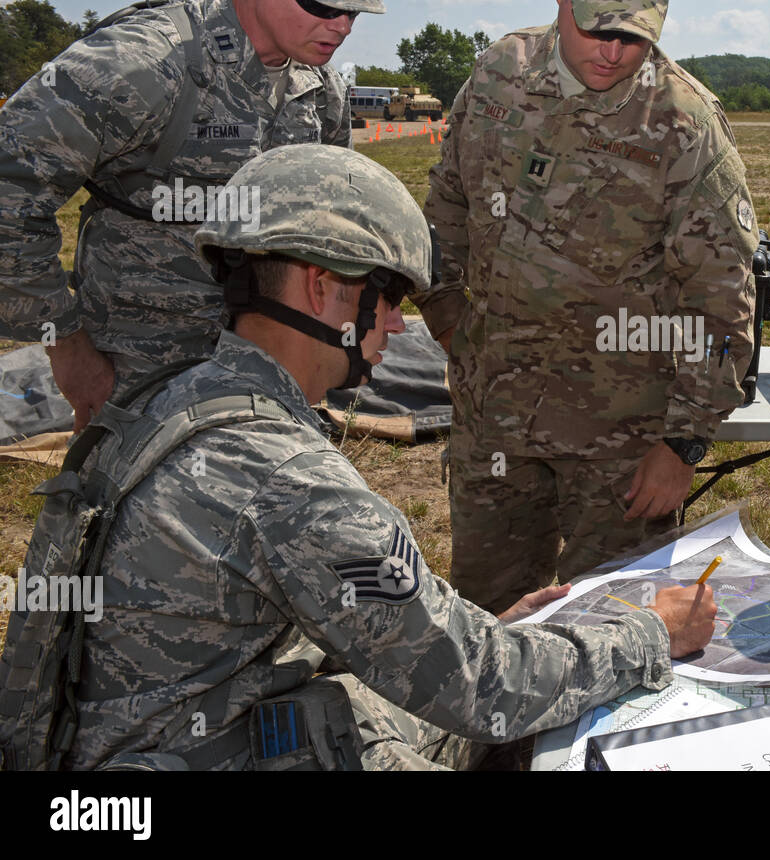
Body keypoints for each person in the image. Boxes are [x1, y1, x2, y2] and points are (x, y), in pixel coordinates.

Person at [0, 145, 718, 771]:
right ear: (323, 287)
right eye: (390, 296)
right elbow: (481, 688)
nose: (398, 325)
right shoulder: (290, 481)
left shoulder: (172, 399)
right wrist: (651, 633)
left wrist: (480, 633)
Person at [415, 0, 758, 615]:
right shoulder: (497, 78)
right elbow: (446, 206)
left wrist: (682, 445)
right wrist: (448, 317)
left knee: (613, 625)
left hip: (621, 447)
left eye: (633, 35)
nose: (612, 52)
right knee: (489, 619)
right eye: (598, 26)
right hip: (494, 423)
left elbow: (723, 297)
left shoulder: (683, 124)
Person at [0, 0, 379, 432]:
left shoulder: (321, 92)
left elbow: (331, 226)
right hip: (140, 377)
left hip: (267, 374)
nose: (341, 25)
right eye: (322, 1)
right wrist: (66, 347)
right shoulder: (142, 65)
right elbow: (10, 192)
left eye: (353, 10)